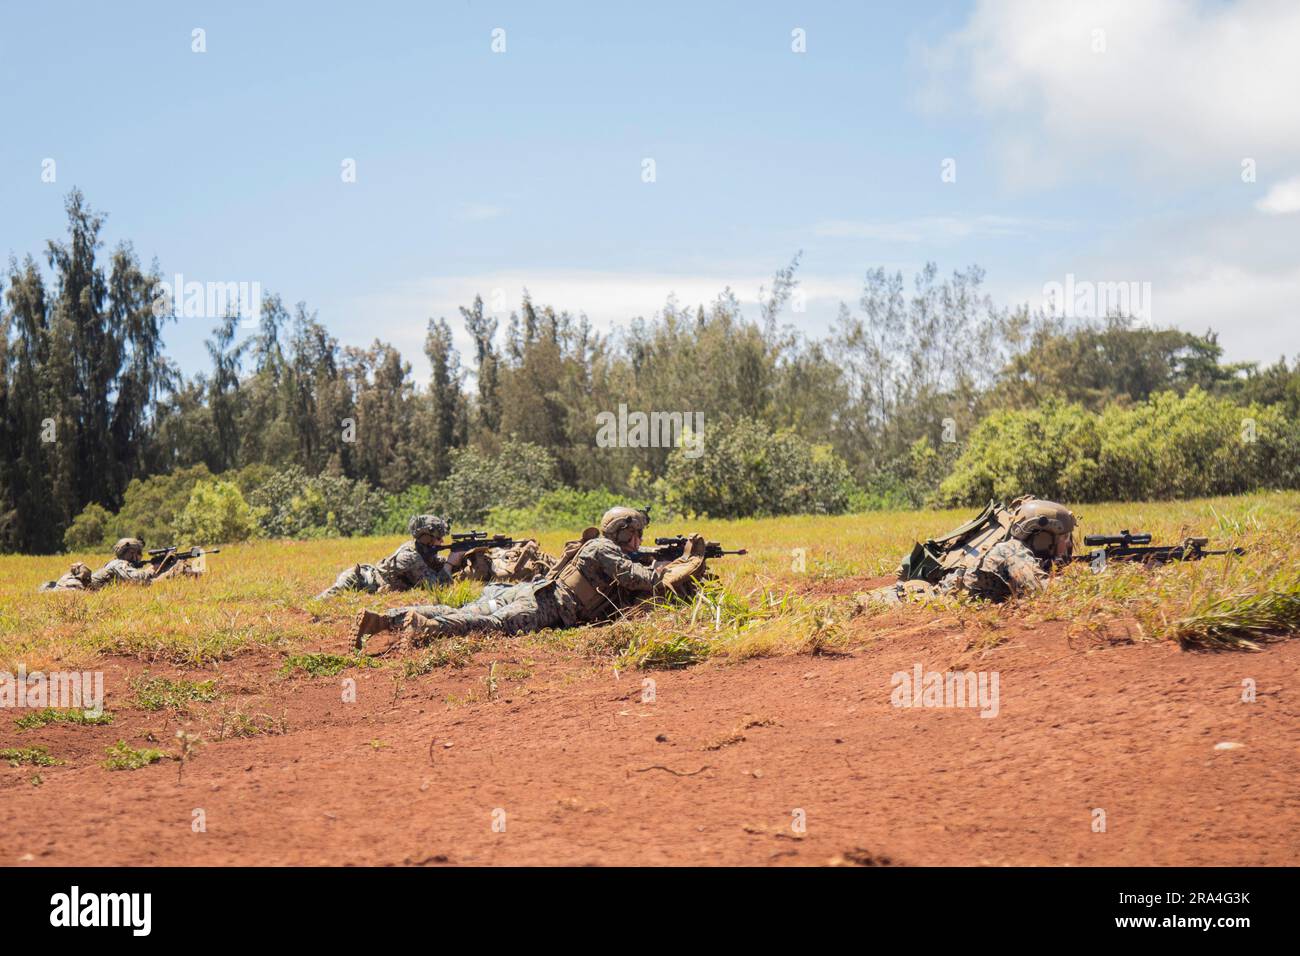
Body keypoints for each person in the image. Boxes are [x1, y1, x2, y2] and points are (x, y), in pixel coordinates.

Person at [352, 506, 707, 654]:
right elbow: (638, 580)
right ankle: (423, 624)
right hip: (542, 606)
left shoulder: (598, 546)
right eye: (637, 534)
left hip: (524, 591)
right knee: (487, 625)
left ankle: (385, 619)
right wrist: (668, 566)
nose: (640, 540)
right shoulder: (604, 549)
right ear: (624, 532)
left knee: (462, 605)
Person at [861, 496, 1077, 605]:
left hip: (924, 597)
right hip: (914, 599)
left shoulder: (1020, 554)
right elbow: (1045, 593)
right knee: (848, 606)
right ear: (1041, 538)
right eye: (1064, 537)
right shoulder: (1011, 552)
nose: (1068, 545)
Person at [315, 514, 451, 599]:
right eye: (439, 538)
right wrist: (451, 563)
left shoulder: (423, 552)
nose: (442, 542)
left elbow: (436, 565)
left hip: (372, 580)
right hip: (359, 580)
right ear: (427, 538)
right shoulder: (410, 557)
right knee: (325, 600)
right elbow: (435, 587)